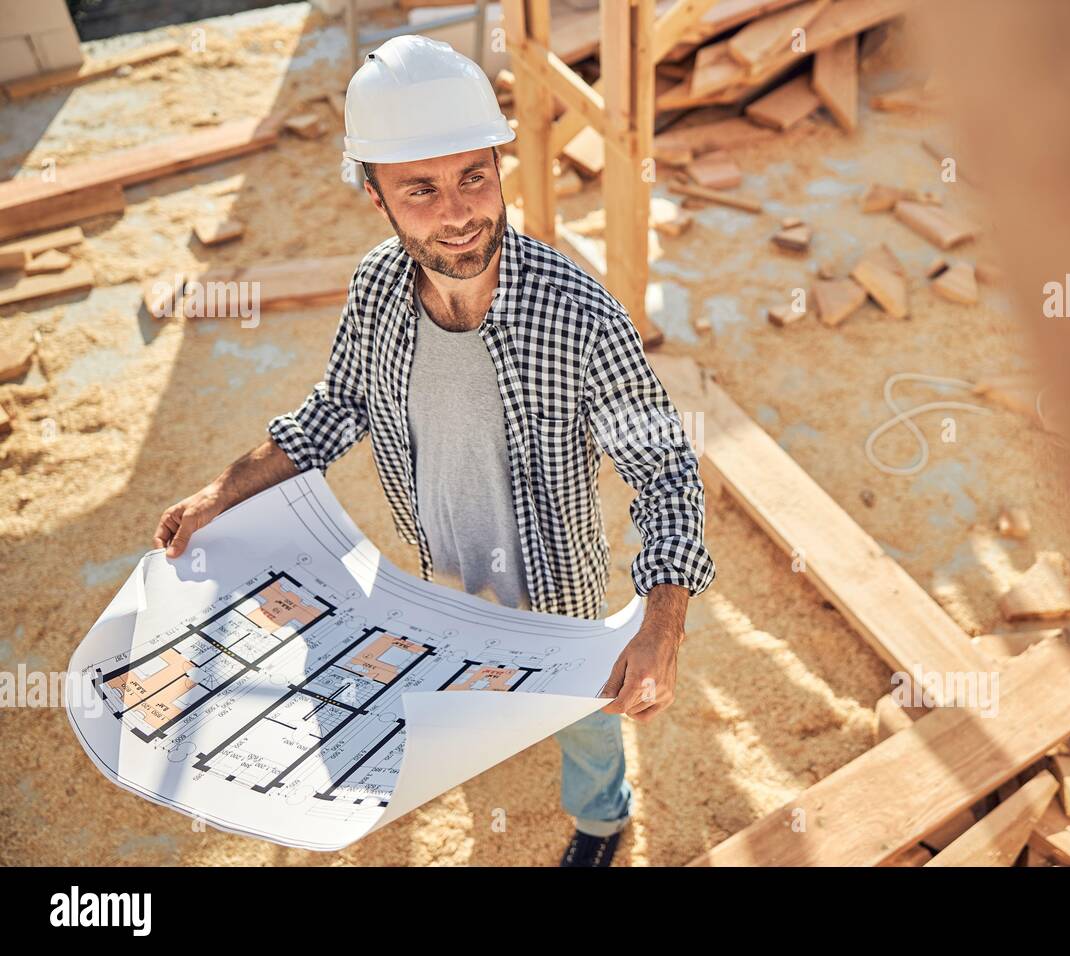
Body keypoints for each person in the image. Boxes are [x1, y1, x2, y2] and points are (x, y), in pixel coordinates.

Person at [152, 35, 715, 867]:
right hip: (435, 582)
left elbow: (666, 469)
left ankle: (602, 820)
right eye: (420, 189)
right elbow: (335, 406)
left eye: (474, 177)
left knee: (587, 723)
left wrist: (662, 627)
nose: (459, 212)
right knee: (465, 693)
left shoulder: (581, 317)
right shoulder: (376, 288)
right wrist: (222, 492)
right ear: (376, 196)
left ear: (498, 165)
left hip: (558, 593)